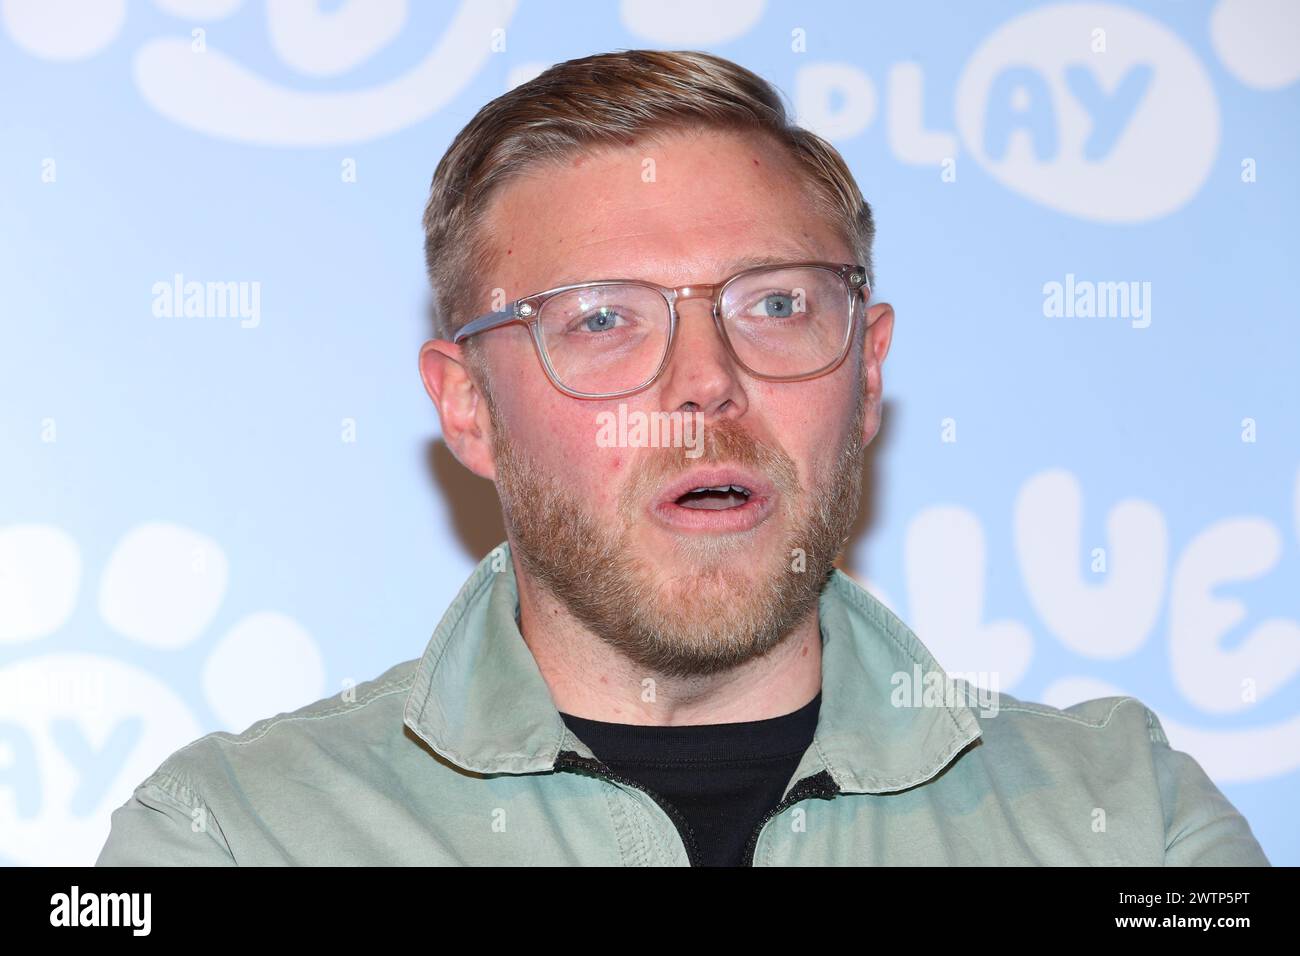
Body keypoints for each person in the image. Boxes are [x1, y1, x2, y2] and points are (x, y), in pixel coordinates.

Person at [97, 49, 1269, 866]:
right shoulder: (238, 838)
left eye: (775, 305)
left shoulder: (1127, 814)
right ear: (467, 408)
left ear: (865, 374)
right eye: (601, 318)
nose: (705, 382)